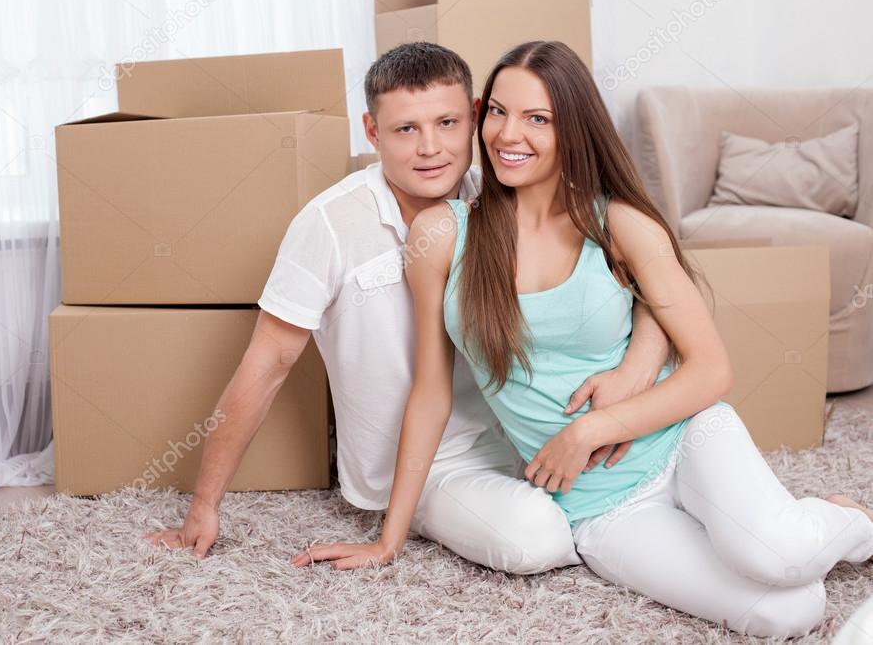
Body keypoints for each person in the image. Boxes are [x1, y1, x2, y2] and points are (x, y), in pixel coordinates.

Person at [295, 41, 873, 638]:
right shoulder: (442, 233)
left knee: (781, 556)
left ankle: (847, 519)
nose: (508, 134)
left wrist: (591, 429)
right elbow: (430, 392)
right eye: (498, 112)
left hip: (683, 442)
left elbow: (710, 371)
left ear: (573, 128)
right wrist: (389, 539)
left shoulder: (618, 222)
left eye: (537, 118)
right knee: (790, 612)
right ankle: (786, 531)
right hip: (600, 512)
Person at [144, 42, 674, 575]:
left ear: (473, 117)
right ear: (372, 131)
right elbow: (266, 366)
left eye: (446, 122)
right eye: (405, 130)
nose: (430, 148)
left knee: (666, 488)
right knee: (538, 541)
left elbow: (650, 271)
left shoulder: (506, 189)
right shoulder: (328, 223)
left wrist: (636, 370)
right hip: (428, 465)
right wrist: (204, 506)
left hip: (531, 435)